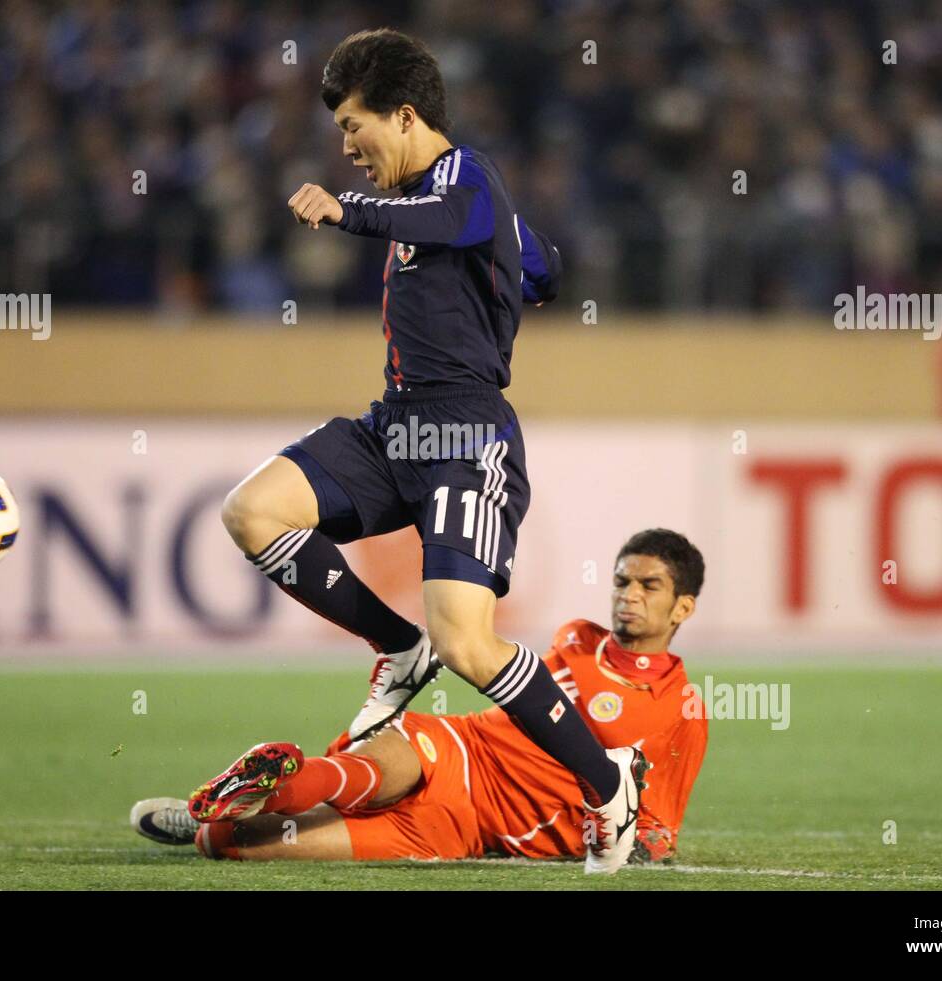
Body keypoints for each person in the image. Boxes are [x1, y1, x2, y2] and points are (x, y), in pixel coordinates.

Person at [216, 28, 647, 872]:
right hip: (394, 426)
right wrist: (523, 264)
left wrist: (346, 211)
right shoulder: (451, 202)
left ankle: (608, 783)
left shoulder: (463, 176)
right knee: (253, 511)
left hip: (464, 435)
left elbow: (459, 215)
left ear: (406, 115)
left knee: (470, 643)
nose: (347, 148)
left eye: (354, 126)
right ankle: (394, 643)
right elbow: (543, 266)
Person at [133, 530, 708, 867]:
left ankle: (222, 815)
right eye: (621, 581)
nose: (628, 596)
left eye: (648, 586)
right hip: (460, 747)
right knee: (366, 770)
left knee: (235, 847)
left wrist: (620, 845)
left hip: (466, 827)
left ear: (682, 607)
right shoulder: (576, 638)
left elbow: (659, 831)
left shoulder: (681, 709)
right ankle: (245, 791)